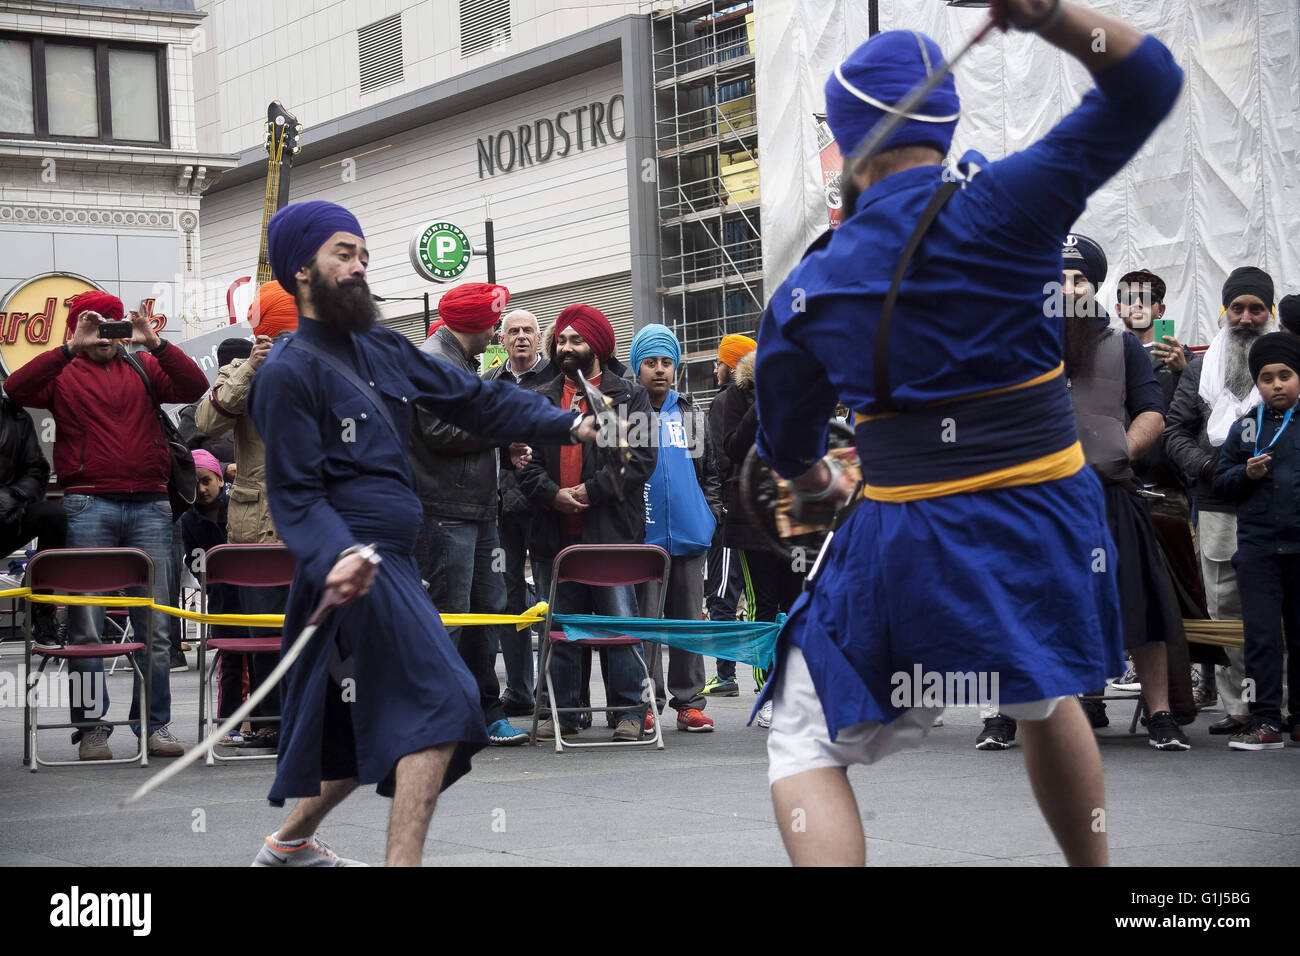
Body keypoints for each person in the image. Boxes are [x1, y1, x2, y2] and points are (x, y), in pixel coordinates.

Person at [752, 0, 1183, 865]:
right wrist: (1052, 16)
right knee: (1041, 695)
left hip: (905, 527)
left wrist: (824, 483)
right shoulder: (1013, 204)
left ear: (843, 143)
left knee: (802, 743)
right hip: (1045, 521)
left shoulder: (807, 288)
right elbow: (1151, 79)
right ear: (945, 127)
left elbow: (788, 448)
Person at [245, 200, 590, 867]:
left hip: (393, 560)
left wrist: (561, 423)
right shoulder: (287, 372)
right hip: (350, 565)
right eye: (343, 252)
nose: (360, 265)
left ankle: (287, 847)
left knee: (370, 721)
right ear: (302, 270)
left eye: (364, 254)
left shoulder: (381, 348)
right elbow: (295, 495)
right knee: (445, 699)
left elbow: (478, 400)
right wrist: (335, 553)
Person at [978, 236, 1188, 751]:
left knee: (1138, 603)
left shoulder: (1125, 348)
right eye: (1059, 279)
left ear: (1093, 287)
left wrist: (1120, 449)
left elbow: (1153, 414)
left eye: (1079, 279)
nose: (1069, 287)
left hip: (1109, 493)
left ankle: (1160, 715)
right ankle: (1005, 715)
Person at [4, 291, 209, 760]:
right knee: (87, 627)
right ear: (78, 327)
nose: (107, 333)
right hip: (87, 504)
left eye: (114, 324)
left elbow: (194, 386)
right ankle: (92, 731)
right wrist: (66, 349)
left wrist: (155, 344)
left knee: (156, 625)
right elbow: (15, 390)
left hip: (151, 505)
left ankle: (153, 727)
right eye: (96, 324)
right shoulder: (63, 372)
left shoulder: (143, 367)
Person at [516, 304, 657, 742]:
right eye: (561, 339)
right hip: (554, 535)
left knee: (622, 625)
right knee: (561, 629)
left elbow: (639, 460)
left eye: (576, 340)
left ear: (596, 344)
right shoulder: (540, 397)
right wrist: (552, 494)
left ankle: (629, 712)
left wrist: (589, 492)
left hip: (610, 537)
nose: (566, 347)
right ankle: (567, 714)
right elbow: (524, 461)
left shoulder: (629, 396)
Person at [411, 282, 528, 745]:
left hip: (475, 508)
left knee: (485, 610)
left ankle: (486, 709)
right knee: (451, 614)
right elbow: (439, 428)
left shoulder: (459, 361)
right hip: (445, 510)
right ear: (475, 325)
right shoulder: (436, 362)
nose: (499, 330)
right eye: (494, 321)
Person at [1164, 267, 1278, 735]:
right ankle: (1240, 708)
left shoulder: (1286, 365)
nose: (1247, 318)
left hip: (1278, 507)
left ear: (1270, 313)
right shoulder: (1199, 368)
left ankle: (1281, 706)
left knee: (1281, 606)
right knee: (1226, 606)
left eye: (1256, 309)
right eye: (1238, 308)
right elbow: (1174, 432)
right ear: (1224, 312)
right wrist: (1213, 468)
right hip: (1217, 505)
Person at [197, 286, 298, 746]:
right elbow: (205, 423)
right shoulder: (239, 370)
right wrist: (253, 367)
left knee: (315, 625)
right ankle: (270, 723)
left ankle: (312, 720)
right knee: (263, 629)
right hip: (257, 522)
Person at [630, 323, 723, 732]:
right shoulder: (627, 414)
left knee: (687, 623)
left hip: (690, 536)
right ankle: (645, 703)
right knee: (646, 624)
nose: (660, 370)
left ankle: (690, 703)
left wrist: (711, 514)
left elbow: (711, 474)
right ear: (637, 368)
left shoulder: (690, 413)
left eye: (667, 362)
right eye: (650, 363)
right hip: (643, 539)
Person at [1211, 333, 1300, 749]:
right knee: (1260, 637)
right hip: (1258, 550)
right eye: (1266, 378)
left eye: (1285, 375)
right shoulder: (1245, 427)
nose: (1277, 385)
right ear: (1257, 384)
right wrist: (1244, 474)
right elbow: (1219, 482)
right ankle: (1266, 720)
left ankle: (1297, 719)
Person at [720, 346, 806, 728]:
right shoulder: (734, 397)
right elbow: (732, 448)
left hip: (797, 519)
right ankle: (769, 692)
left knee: (799, 607)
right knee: (763, 607)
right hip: (752, 522)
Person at [484, 308, 554, 716]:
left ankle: (549, 691)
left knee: (547, 596)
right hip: (503, 506)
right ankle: (520, 690)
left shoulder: (555, 379)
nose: (522, 337)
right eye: (514, 331)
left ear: (538, 337)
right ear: (502, 339)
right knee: (507, 597)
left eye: (529, 330)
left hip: (544, 504)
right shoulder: (490, 383)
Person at [701, 334, 756, 697]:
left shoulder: (725, 402)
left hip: (729, 512)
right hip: (754, 512)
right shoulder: (757, 401)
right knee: (756, 597)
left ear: (731, 365)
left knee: (722, 593)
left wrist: (715, 509)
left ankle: (725, 674)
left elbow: (719, 458)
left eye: (720, 362)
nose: (715, 368)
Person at [0, 388, 65, 644]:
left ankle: (41, 609)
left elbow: (36, 469)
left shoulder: (15, 416)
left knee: (54, 516)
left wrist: (11, 498)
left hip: (8, 515)